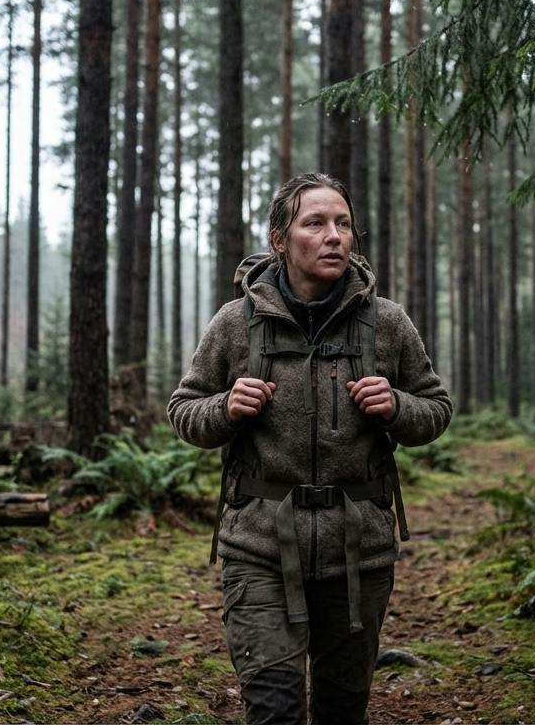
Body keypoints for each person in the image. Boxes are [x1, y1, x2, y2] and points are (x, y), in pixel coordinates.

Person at [168, 173, 452, 724]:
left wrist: (396, 405)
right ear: (280, 239)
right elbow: (184, 411)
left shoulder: (388, 323)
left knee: (342, 709)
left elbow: (435, 410)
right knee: (274, 709)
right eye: (315, 223)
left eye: (343, 224)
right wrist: (226, 407)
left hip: (359, 552)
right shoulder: (235, 324)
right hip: (258, 547)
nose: (334, 236)